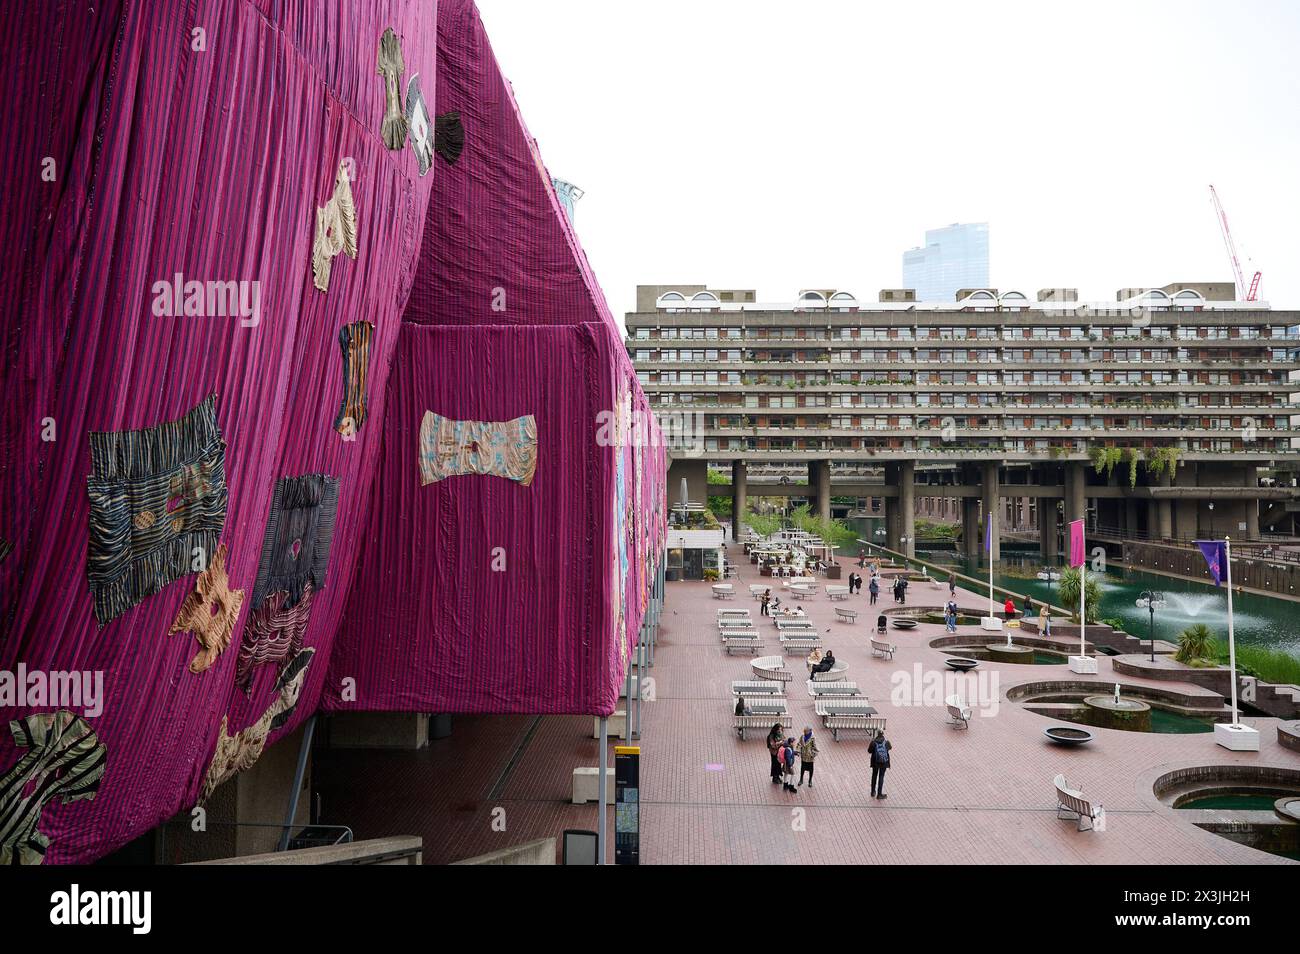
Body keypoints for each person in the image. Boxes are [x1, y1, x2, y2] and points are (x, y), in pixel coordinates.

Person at [869, 729, 892, 799]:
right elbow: (890, 748)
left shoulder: (873, 742)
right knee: (881, 777)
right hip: (884, 763)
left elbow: (869, 751)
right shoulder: (886, 742)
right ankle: (879, 794)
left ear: (877, 734)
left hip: (875, 762)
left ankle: (873, 792)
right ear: (883, 734)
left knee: (874, 776)